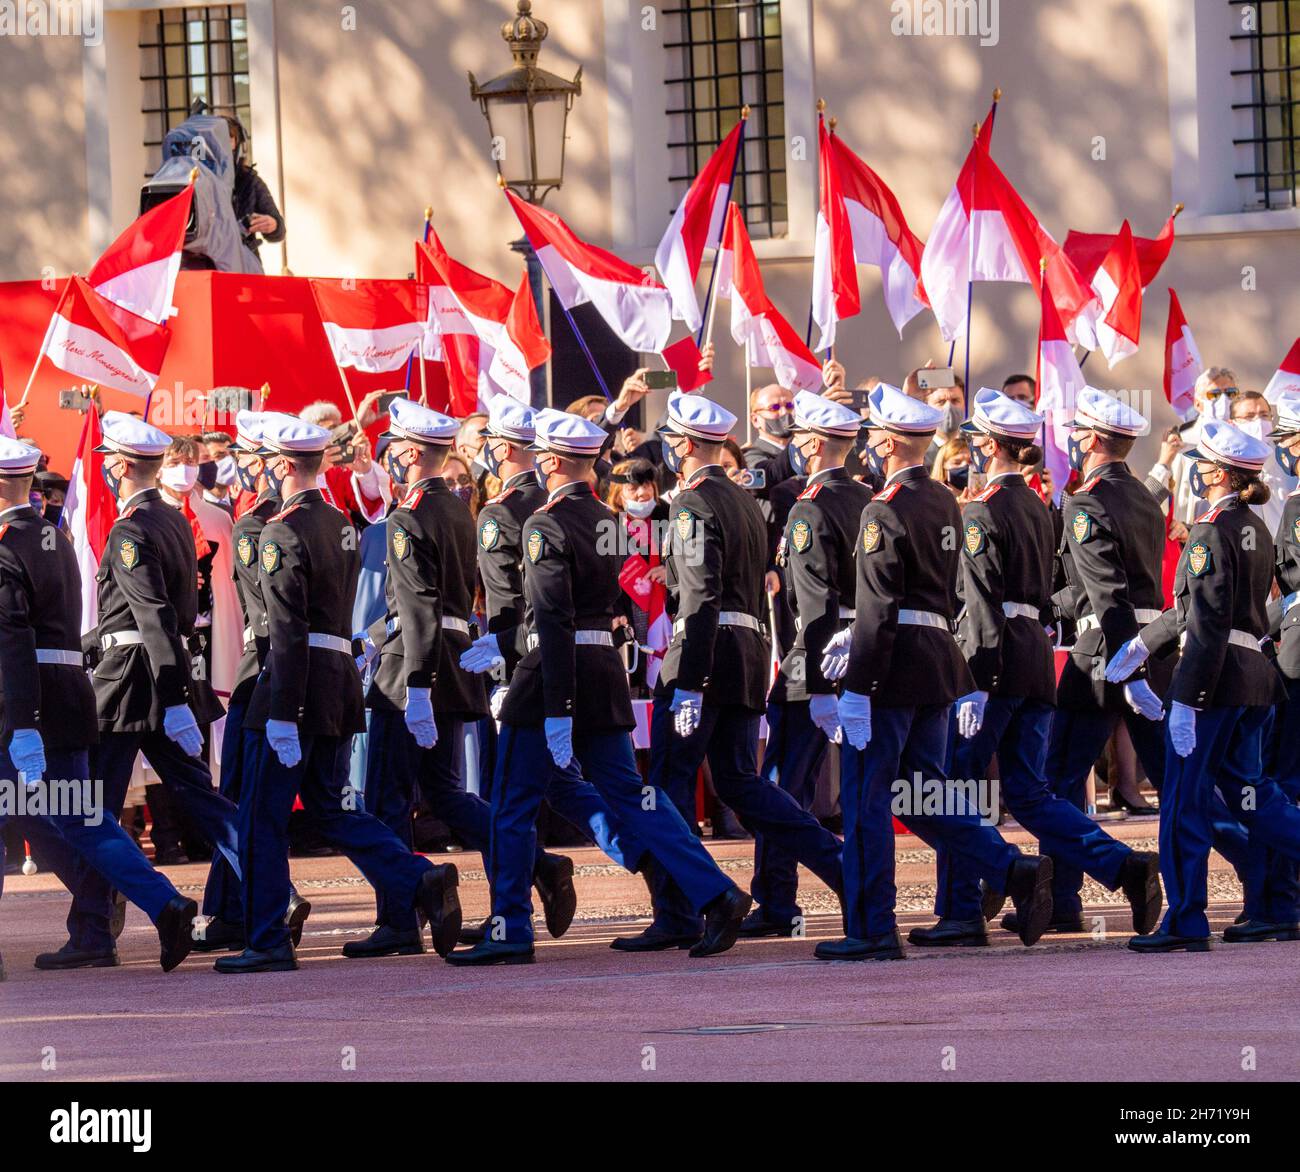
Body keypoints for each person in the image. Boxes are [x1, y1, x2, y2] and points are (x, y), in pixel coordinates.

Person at [448, 408, 749, 965]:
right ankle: (718, 891)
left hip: (551, 675)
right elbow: (609, 605)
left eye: (540, 454)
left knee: (512, 804)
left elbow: (554, 617)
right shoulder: (608, 521)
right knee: (635, 798)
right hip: (603, 671)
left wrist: (556, 706)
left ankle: (510, 926)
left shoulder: (545, 523)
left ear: (554, 460)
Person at [913, 388, 1161, 947]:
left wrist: (974, 681)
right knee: (1030, 791)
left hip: (993, 655)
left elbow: (979, 599)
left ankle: (960, 910)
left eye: (976, 442)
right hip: (1032, 657)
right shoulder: (1039, 505)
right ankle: (1121, 865)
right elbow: (1051, 596)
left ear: (988, 447)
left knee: (957, 787)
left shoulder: (982, 509)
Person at [819, 383, 1053, 961]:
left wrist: (857, 686)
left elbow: (877, 604)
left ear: (893, 443)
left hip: (891, 667)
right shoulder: (945, 502)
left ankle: (872, 927)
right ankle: (1009, 866)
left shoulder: (885, 508)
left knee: (869, 798)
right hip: (935, 662)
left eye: (874, 436)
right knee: (923, 793)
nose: (868, 444)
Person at [218, 414, 460, 973]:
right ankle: (415, 874)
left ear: (281, 466)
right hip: (335, 685)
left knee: (262, 817)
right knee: (330, 808)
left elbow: (287, 628)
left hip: (290, 687)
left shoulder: (281, 531)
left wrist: (281, 712)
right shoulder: (341, 523)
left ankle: (267, 938)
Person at [611, 391, 844, 953]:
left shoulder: (691, 503)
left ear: (685, 444)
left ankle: (681, 910)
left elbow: (701, 595)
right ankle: (845, 869)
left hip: (704, 651)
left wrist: (688, 681)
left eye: (669, 437)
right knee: (742, 782)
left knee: (663, 789)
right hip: (741, 651)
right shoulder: (741, 499)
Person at [355, 399, 574, 957]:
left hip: (417, 664)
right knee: (447, 793)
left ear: (408, 452)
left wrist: (417, 686)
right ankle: (540, 865)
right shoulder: (460, 507)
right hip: (451, 658)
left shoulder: (409, 516)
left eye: (394, 451)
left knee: (386, 797)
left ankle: (401, 919)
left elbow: (419, 604)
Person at [1054, 390, 1271, 935]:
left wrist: (1129, 663)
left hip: (1109, 652)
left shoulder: (1089, 501)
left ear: (1092, 438)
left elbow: (1108, 594)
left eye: (1079, 432)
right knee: (1186, 786)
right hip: (1158, 652)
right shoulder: (1147, 500)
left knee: (1058, 784)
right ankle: (1260, 879)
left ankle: (1074, 894)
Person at [36, 412, 240, 971]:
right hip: (159, 675)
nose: (103, 468)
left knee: (89, 807)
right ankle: (272, 894)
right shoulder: (174, 519)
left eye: (107, 460)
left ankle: (94, 930)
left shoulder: (130, 529)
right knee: (203, 799)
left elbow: (149, 614)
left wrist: (171, 697)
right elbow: (176, 610)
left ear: (122, 465)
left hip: (131, 684)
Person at [0, 436, 198, 975]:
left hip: (24, 704)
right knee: (64, 818)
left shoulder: (5, 545)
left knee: (57, 817)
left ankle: (133, 909)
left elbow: (13, 642)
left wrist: (21, 724)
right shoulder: (54, 537)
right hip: (69, 698)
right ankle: (142, 907)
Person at [1114, 422, 1295, 952]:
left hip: (1212, 683)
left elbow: (1209, 620)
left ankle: (1187, 919)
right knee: (1253, 795)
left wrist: (1188, 700)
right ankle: (1260, 901)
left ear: (1215, 472)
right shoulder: (1253, 525)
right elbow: (1200, 612)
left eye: (1200, 463)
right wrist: (1143, 645)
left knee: (1183, 799)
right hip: (1252, 679)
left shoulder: (1211, 528)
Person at [741, 391, 869, 938]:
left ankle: (781, 897)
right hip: (862, 651)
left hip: (812, 658)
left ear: (813, 444)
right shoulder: (870, 499)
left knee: (780, 786)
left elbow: (814, 603)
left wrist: (815, 681)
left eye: (796, 439)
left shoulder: (808, 506)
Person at [194, 411, 310, 953]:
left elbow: (260, 619)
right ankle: (231, 908)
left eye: (249, 458)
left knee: (242, 796)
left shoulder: (253, 527)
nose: (239, 469)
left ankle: (259, 904)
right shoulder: (314, 518)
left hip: (260, 672)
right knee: (262, 798)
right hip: (292, 670)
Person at [297, 400, 390, 525]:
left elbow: (371, 504)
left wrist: (365, 471)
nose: (343, 437)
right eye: (333, 429)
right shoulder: (294, 473)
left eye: (341, 427)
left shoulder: (336, 474)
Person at [1230, 389, 1295, 533]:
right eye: (1249, 416)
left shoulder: (1290, 459)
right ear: (1232, 423)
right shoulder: (1227, 468)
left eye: (1264, 415)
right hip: (1248, 551)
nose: (1259, 422)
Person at [224, 114, 285, 266]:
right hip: (205, 268)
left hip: (244, 263)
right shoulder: (196, 180)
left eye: (228, 138)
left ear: (239, 145)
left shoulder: (250, 181)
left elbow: (279, 231)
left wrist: (273, 225)